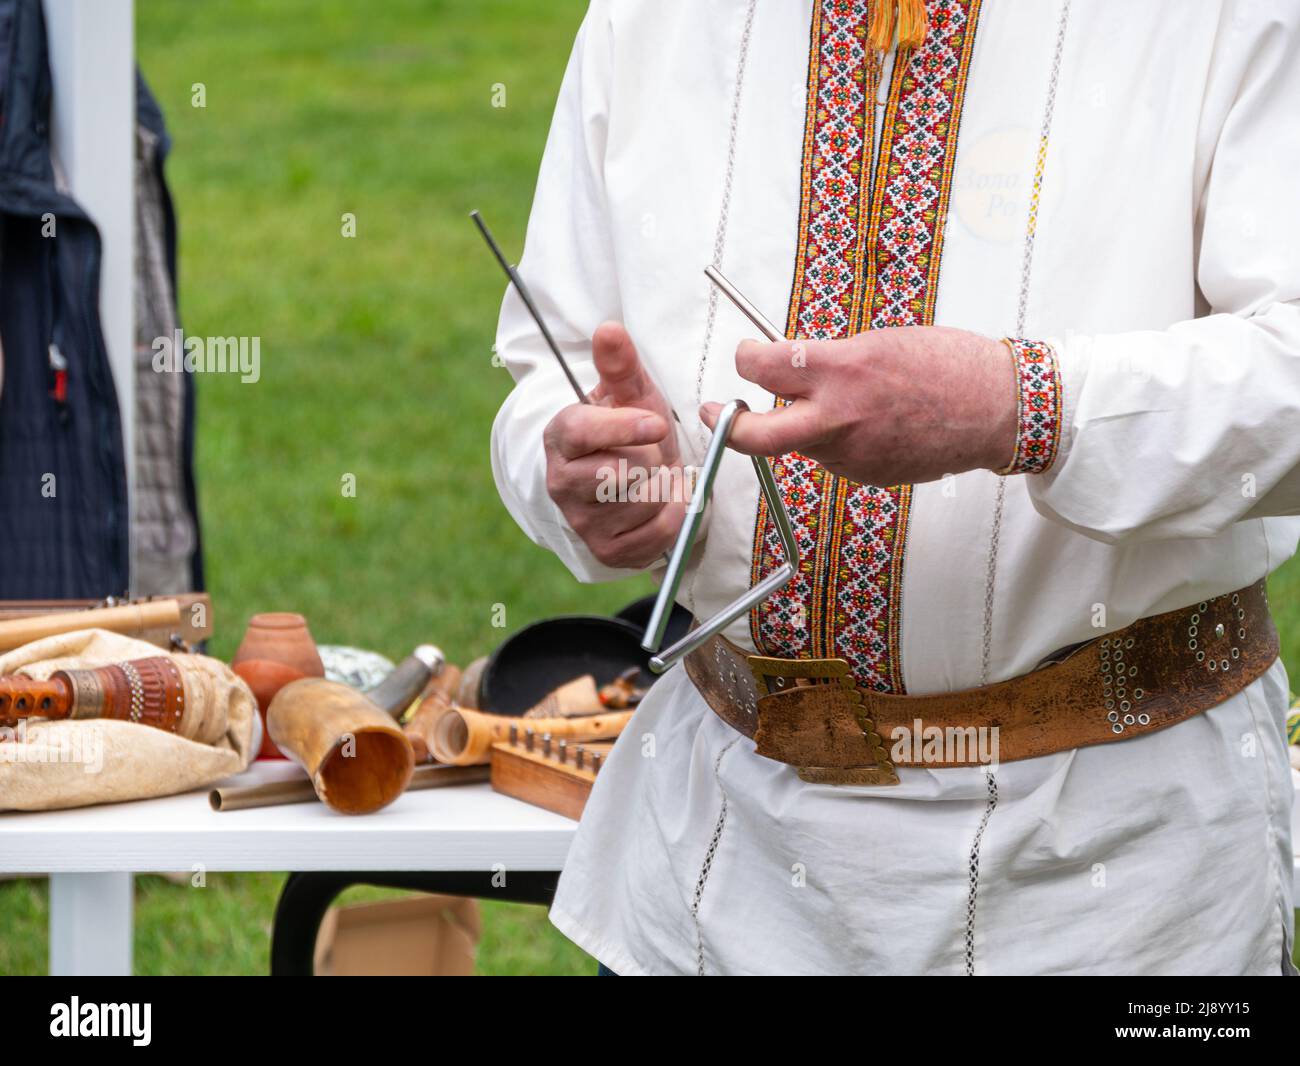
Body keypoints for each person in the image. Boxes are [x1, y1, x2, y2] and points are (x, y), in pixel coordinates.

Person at [491, 0, 1300, 975]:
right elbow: (550, 364)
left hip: (1115, 886)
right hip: (719, 859)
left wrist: (1020, 404)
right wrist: (591, 474)